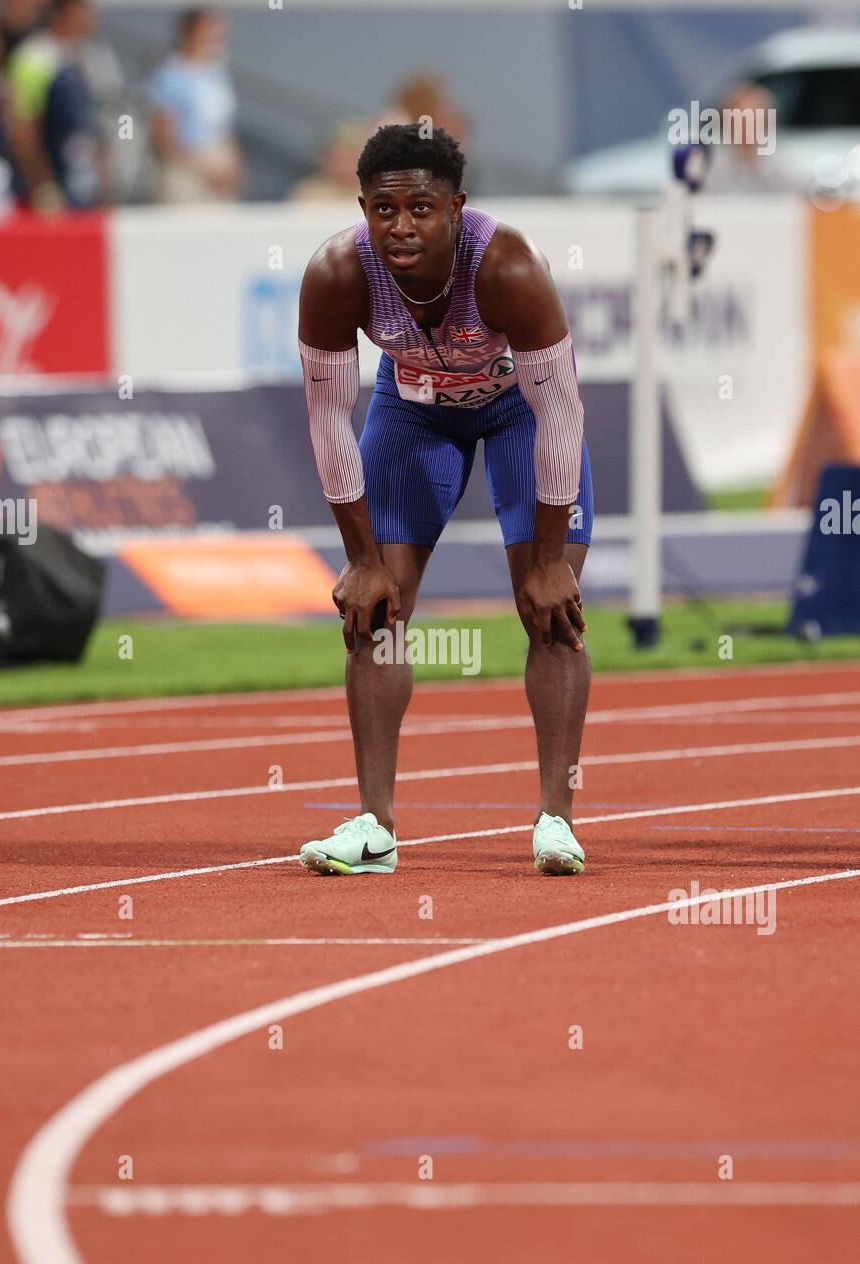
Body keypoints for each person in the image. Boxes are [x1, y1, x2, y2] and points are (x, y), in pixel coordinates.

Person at [297, 124, 593, 878]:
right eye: (384, 209)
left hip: (518, 411)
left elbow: (559, 413)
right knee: (376, 608)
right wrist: (362, 559)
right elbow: (328, 418)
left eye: (421, 208)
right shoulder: (337, 273)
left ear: (456, 207)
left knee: (549, 609)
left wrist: (552, 559)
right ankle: (374, 826)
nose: (402, 227)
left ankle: (555, 819)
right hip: (414, 411)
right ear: (362, 208)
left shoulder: (508, 267)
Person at [6, 0, 100, 210]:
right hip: (49, 189)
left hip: (82, 184)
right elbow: (22, 128)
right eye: (84, 12)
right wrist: (42, 186)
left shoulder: (85, 56)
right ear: (64, 13)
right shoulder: (34, 58)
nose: (91, 19)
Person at [147, 7, 241, 204]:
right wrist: (203, 170)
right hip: (187, 172)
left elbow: (224, 126)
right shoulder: (170, 75)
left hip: (220, 171)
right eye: (208, 30)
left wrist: (233, 165)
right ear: (190, 32)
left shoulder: (218, 71)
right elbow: (162, 138)